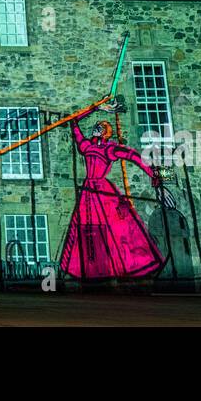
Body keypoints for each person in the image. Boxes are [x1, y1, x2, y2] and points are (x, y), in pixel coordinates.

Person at [58, 107, 164, 280]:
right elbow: (74, 121)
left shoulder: (110, 149)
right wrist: (96, 107)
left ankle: (126, 267)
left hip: (102, 190)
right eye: (97, 126)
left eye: (100, 127)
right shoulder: (86, 146)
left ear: (105, 133)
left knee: (116, 229)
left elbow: (133, 156)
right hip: (89, 191)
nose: (96, 128)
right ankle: (91, 269)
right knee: (87, 229)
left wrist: (152, 173)